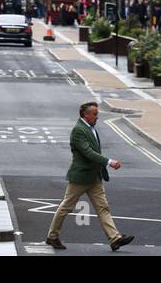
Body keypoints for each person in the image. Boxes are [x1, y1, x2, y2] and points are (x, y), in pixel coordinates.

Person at [44, 102, 134, 252]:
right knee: (66, 207)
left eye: (97, 114)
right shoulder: (78, 130)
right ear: (86, 115)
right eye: (95, 114)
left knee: (103, 207)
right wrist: (109, 162)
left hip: (94, 177)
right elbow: (88, 153)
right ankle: (52, 236)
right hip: (81, 177)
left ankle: (114, 238)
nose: (97, 117)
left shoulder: (90, 128)